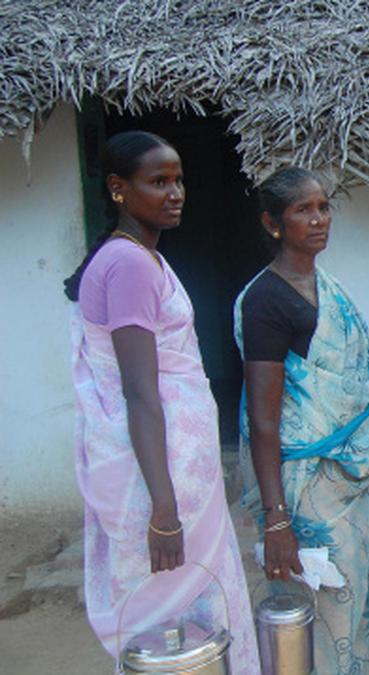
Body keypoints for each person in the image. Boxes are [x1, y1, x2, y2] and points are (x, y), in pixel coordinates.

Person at [63, 130, 260, 673]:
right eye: (158, 182)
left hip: (174, 468)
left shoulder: (140, 258)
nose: (175, 193)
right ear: (118, 188)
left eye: (178, 180)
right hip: (160, 476)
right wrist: (165, 511)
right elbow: (139, 392)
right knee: (179, 622)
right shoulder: (128, 264)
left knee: (189, 616)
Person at [235, 167, 369, 674]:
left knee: (361, 594)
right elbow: (264, 420)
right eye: (303, 210)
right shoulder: (265, 300)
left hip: (354, 469)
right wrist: (278, 519)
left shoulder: (326, 287)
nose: (319, 219)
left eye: (324, 207)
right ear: (273, 223)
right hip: (307, 485)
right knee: (324, 602)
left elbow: (352, 395)